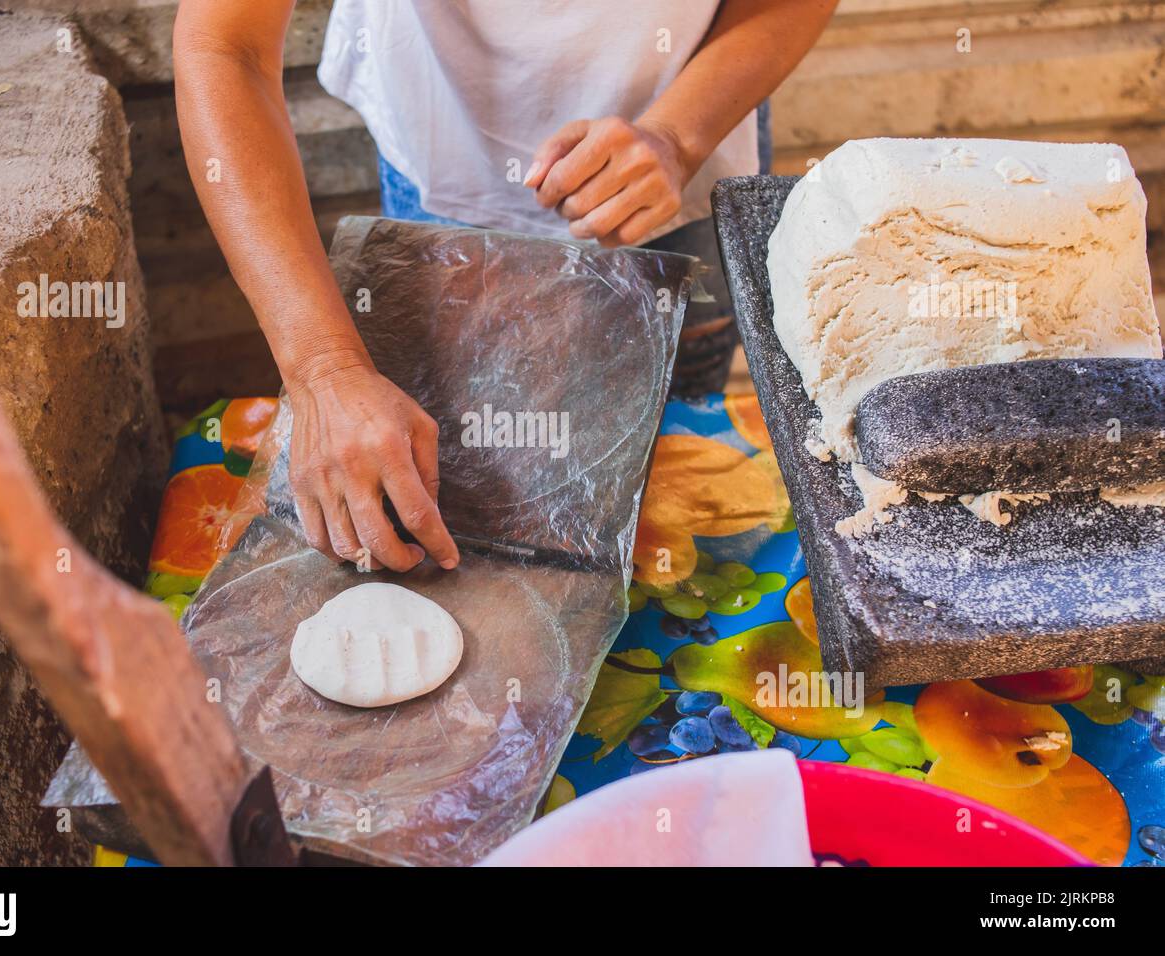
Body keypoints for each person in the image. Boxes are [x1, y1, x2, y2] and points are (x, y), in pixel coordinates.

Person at [173, 0, 837, 574]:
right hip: (442, 155)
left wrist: (678, 135)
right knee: (456, 506)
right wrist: (324, 368)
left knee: (672, 488)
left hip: (681, 164)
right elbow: (223, 44)